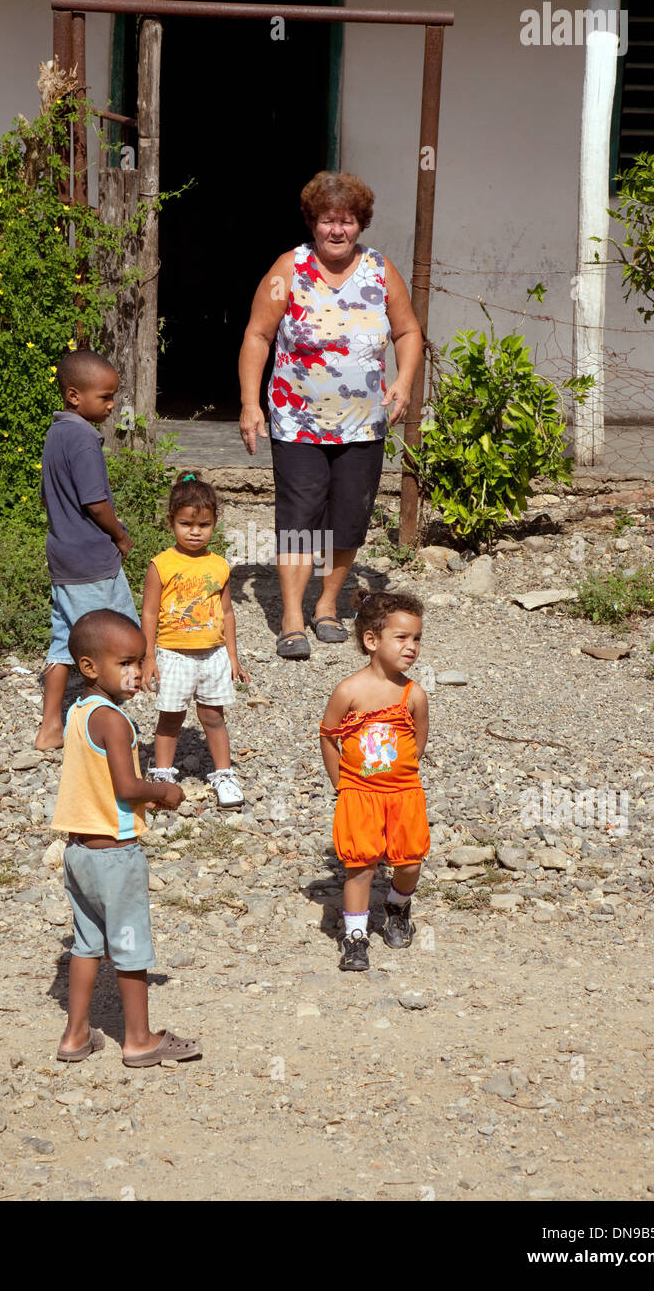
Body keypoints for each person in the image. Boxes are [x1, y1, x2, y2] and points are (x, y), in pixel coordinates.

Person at [238, 170, 423, 660]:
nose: (336, 230)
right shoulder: (288, 269)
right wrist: (249, 403)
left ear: (360, 224)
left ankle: (327, 606)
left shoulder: (381, 272)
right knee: (300, 518)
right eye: (327, 221)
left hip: (363, 423)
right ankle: (293, 617)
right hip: (297, 421)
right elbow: (257, 335)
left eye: (346, 221)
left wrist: (403, 382)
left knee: (348, 518)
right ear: (313, 223)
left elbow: (407, 333)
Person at [50, 607, 201, 1067]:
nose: (137, 674)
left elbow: (100, 784)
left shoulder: (79, 712)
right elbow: (126, 786)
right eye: (126, 663)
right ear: (90, 667)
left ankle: (76, 1036)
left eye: (139, 662)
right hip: (116, 857)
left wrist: (138, 801)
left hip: (79, 852)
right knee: (131, 948)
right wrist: (164, 791)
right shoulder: (115, 721)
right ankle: (139, 1039)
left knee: (86, 945)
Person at [319, 589, 430, 973]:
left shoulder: (413, 693)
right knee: (360, 866)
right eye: (401, 638)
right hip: (359, 794)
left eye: (416, 638)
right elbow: (329, 735)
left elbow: (419, 734)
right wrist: (341, 784)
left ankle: (398, 905)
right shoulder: (348, 691)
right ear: (371, 641)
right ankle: (355, 936)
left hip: (404, 793)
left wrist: (406, 768)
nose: (411, 646)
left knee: (411, 860)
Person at [35, 349, 140, 751]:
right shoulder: (83, 439)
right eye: (105, 397)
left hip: (63, 558)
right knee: (110, 641)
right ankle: (107, 729)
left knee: (64, 642)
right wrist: (120, 535)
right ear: (74, 395)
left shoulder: (56, 433)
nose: (112, 405)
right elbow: (96, 502)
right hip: (93, 563)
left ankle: (50, 728)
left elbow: (48, 499)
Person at [140, 471, 248, 808]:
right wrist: (148, 657)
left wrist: (232, 656)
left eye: (203, 525)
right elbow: (149, 613)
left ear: (215, 523)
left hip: (213, 655)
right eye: (187, 523)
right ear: (171, 521)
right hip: (173, 654)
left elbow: (227, 612)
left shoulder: (219, 566)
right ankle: (162, 775)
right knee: (170, 716)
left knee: (213, 716)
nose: (195, 532)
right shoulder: (161, 564)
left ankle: (224, 774)